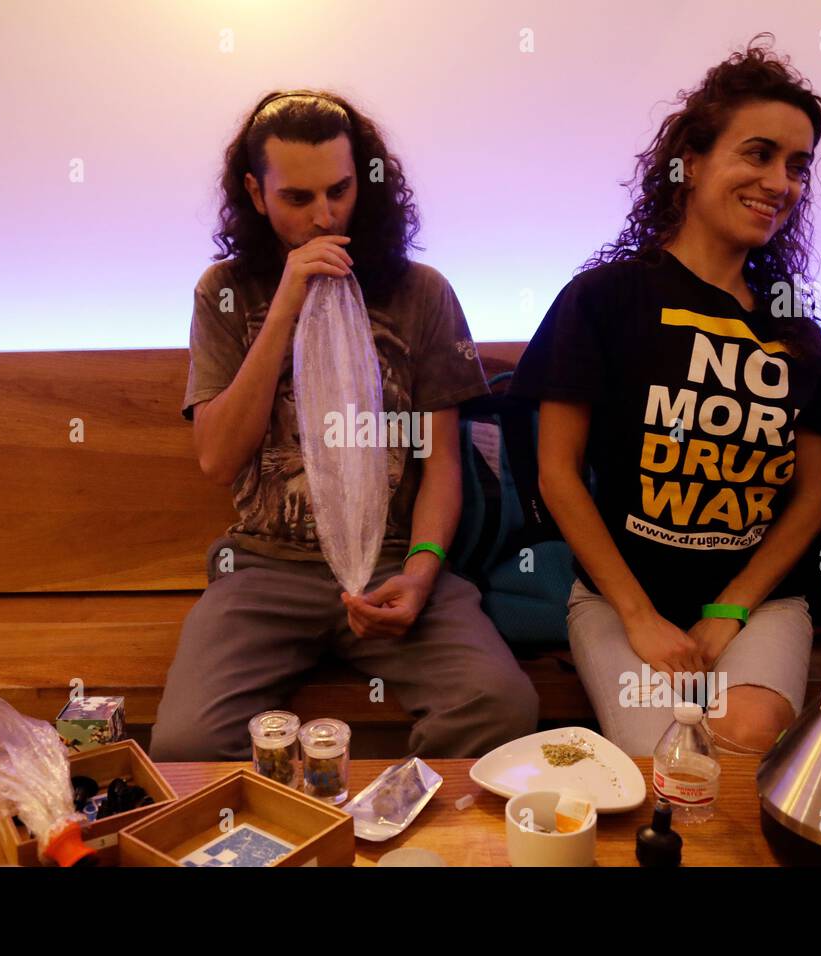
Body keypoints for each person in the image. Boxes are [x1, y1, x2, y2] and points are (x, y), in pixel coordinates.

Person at [149, 89, 538, 761]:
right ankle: (288, 833)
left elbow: (440, 462)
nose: (324, 215)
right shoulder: (225, 291)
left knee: (501, 705)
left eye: (340, 190)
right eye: (298, 198)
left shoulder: (421, 293)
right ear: (255, 191)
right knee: (186, 741)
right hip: (267, 567)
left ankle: (398, 827)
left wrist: (420, 575)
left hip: (393, 561)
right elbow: (216, 458)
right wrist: (283, 311)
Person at [509, 37, 821, 756]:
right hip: (622, 599)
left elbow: (810, 497)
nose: (780, 182)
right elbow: (556, 474)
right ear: (691, 162)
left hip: (758, 602)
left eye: (797, 166)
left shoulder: (794, 326)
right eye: (758, 154)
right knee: (670, 762)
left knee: (742, 736)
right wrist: (639, 616)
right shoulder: (604, 300)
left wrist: (729, 609)